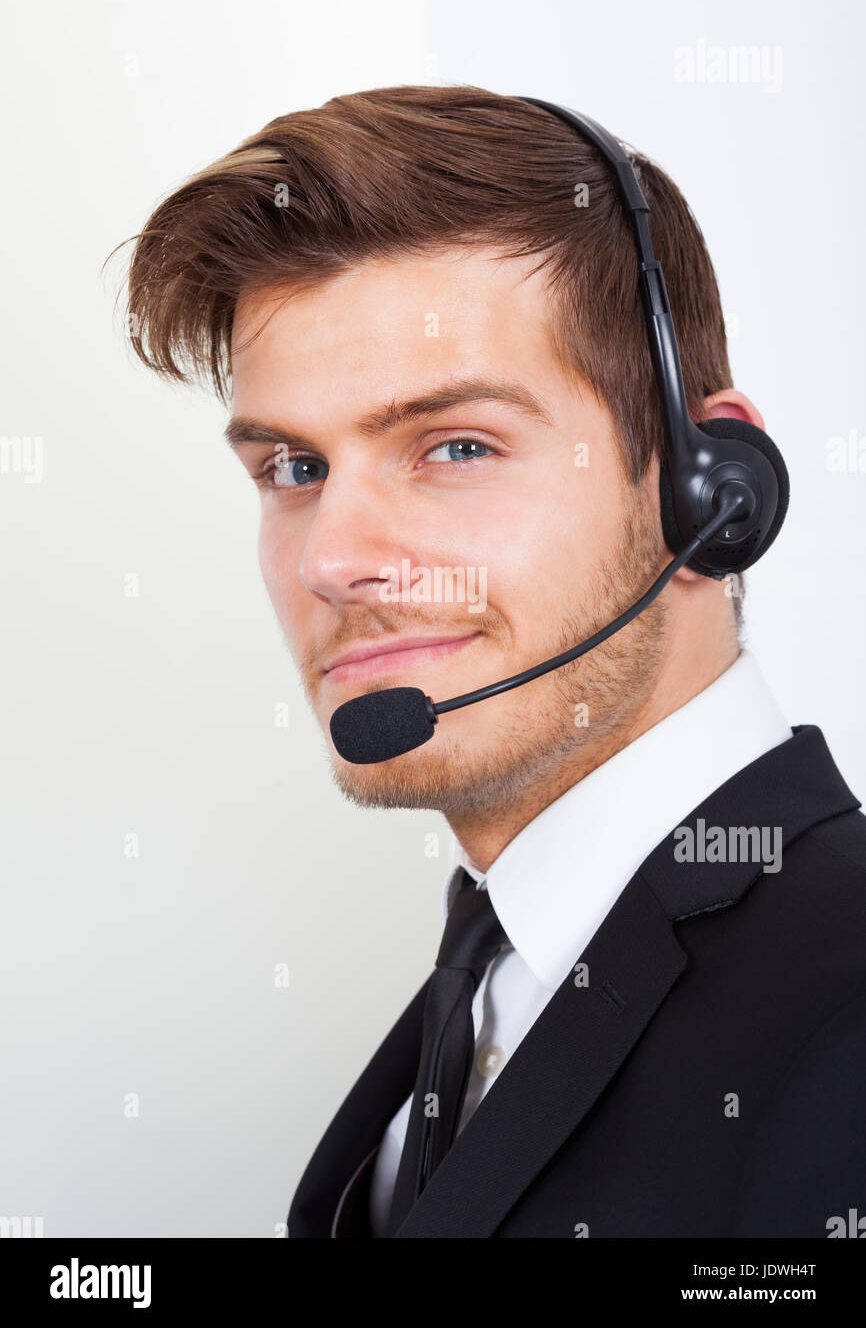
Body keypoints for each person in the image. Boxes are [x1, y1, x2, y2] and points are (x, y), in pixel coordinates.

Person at [116, 84, 866, 1238]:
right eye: (293, 468)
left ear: (706, 493)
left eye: (456, 445)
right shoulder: (487, 978)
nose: (335, 558)